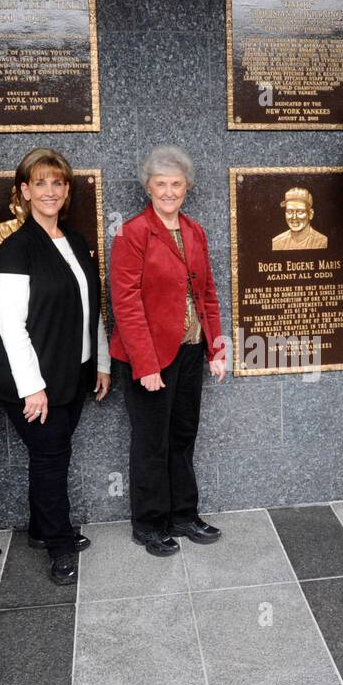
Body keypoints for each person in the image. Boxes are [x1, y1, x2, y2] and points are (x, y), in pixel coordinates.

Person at [0, 149, 110, 585]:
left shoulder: (75, 241)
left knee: (52, 456)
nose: (49, 191)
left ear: (66, 190)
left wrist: (101, 361)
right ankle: (59, 545)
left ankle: (43, 529)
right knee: (51, 459)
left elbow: (91, 308)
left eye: (57, 183)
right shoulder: (16, 249)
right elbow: (9, 325)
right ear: (23, 191)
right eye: (39, 183)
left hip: (73, 373)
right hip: (33, 381)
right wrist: (32, 387)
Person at [110, 145, 226, 556]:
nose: (169, 191)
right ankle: (149, 524)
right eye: (161, 184)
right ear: (148, 187)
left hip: (190, 351)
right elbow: (125, 303)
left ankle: (183, 515)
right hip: (150, 359)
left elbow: (207, 294)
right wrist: (146, 365)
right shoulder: (132, 233)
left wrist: (216, 349)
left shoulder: (195, 231)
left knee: (182, 436)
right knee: (151, 443)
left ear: (187, 187)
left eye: (176, 184)